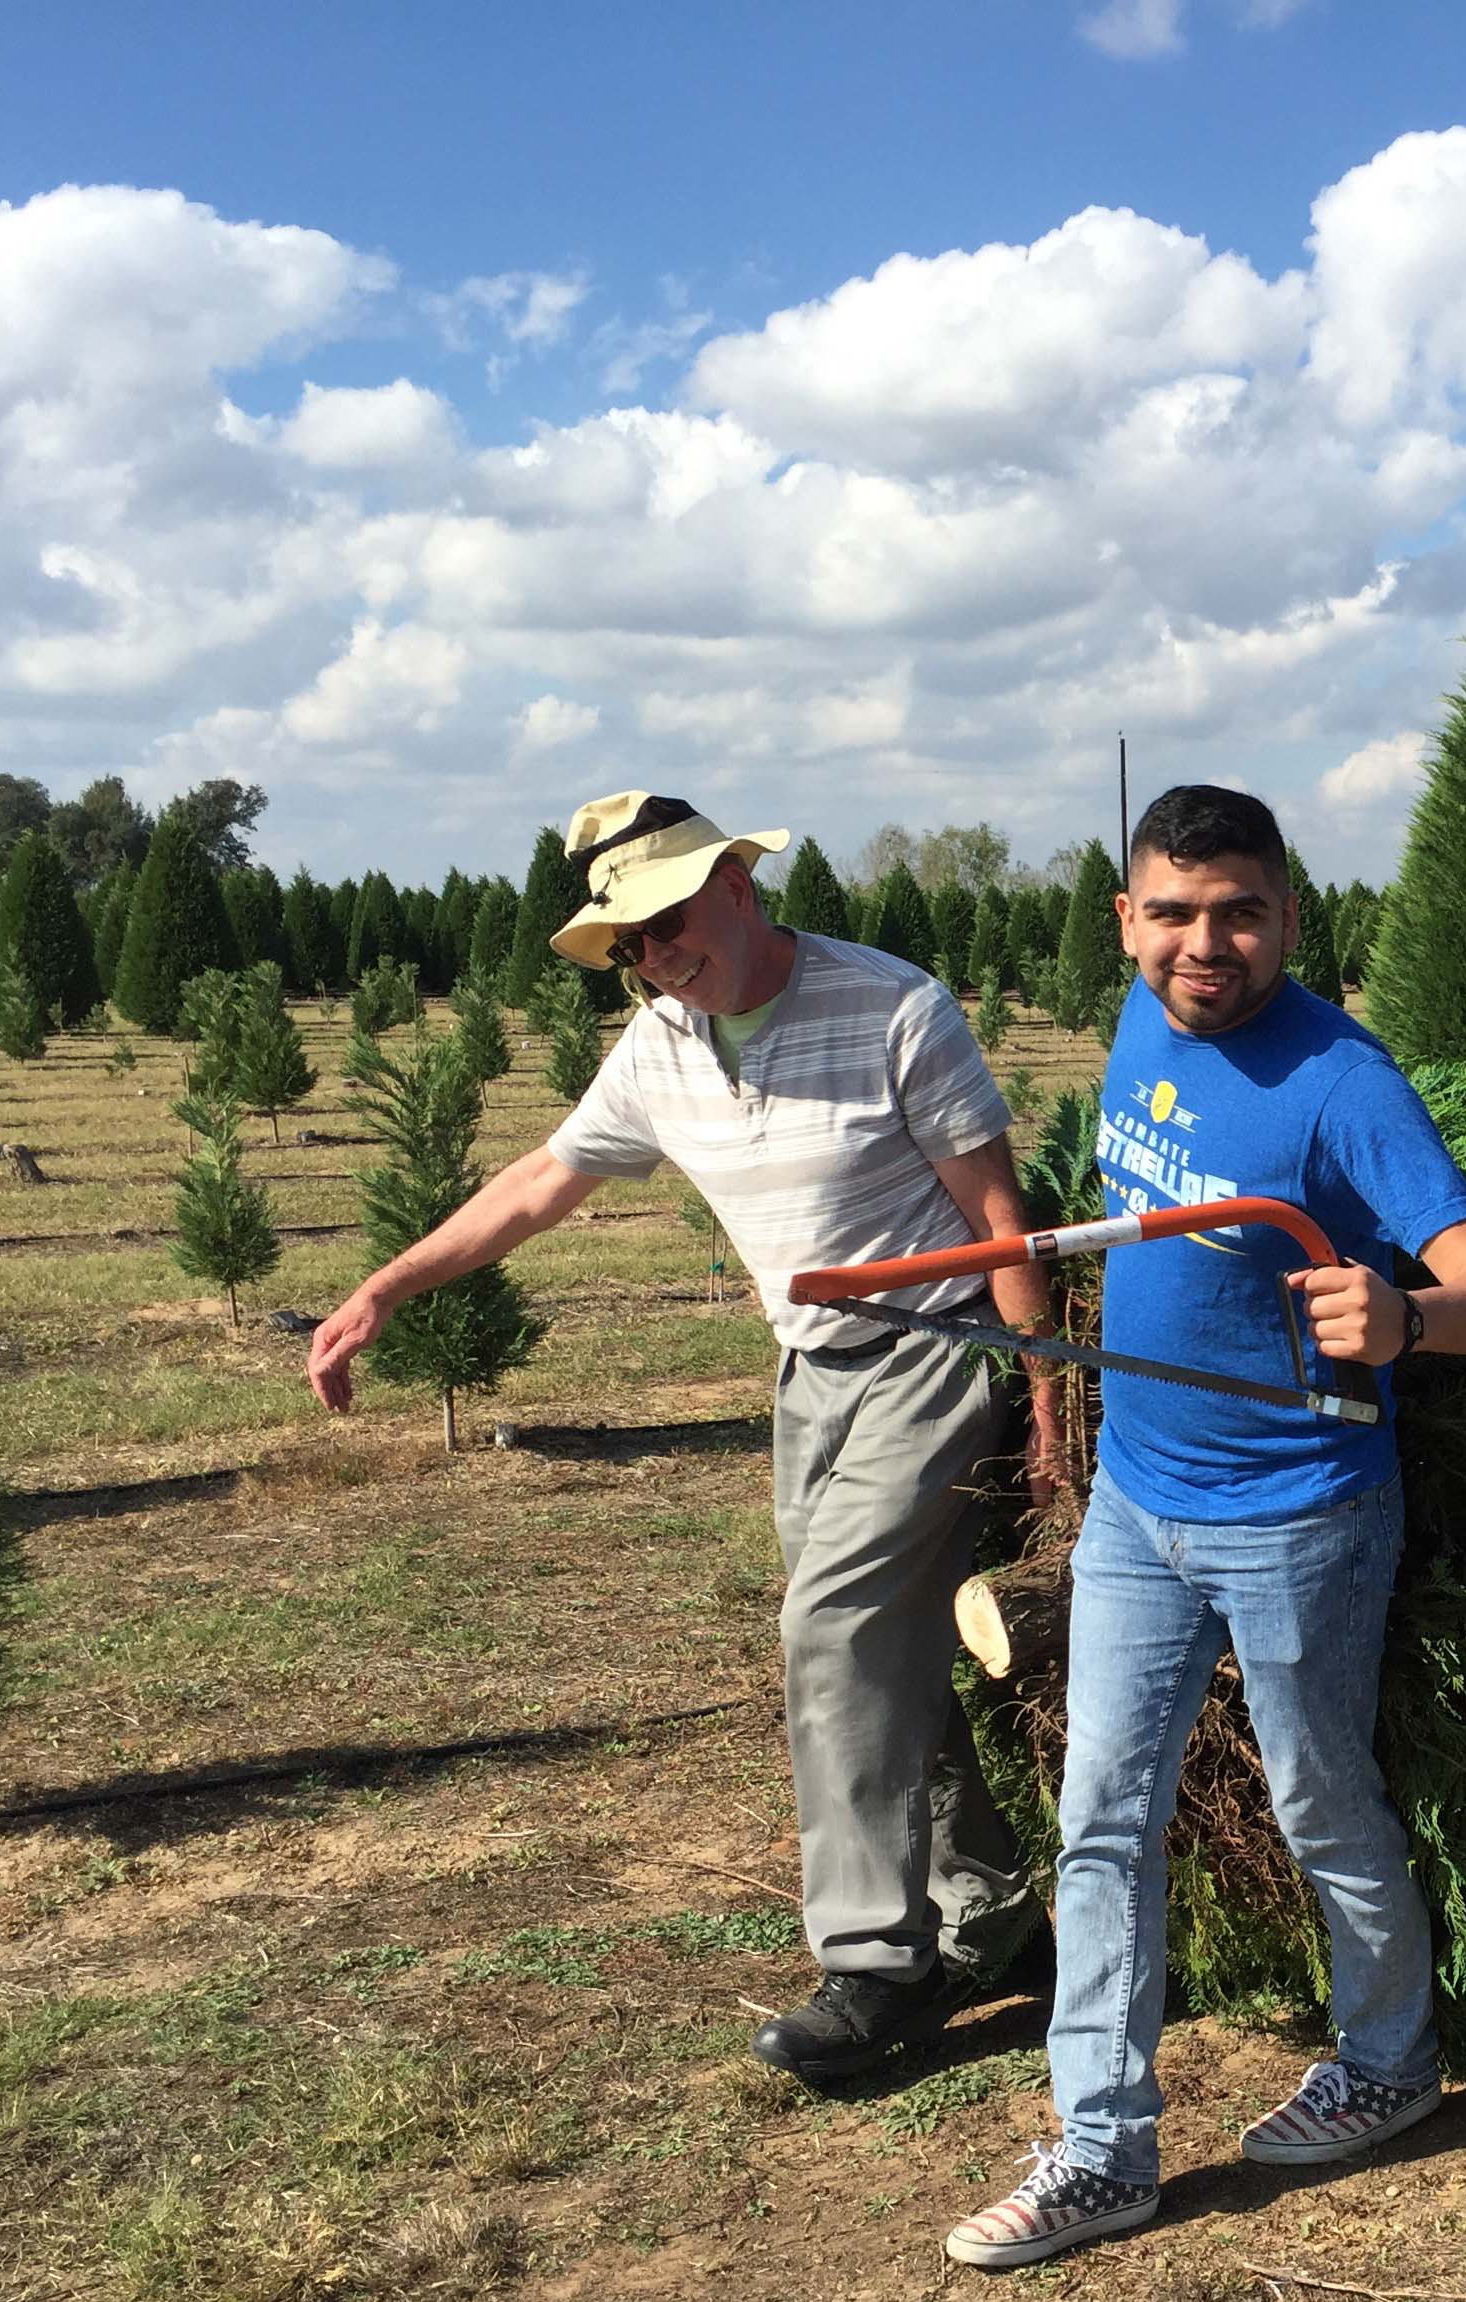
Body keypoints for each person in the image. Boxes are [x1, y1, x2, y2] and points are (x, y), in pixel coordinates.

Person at [305, 792, 1058, 2086]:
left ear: (736, 886)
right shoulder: (659, 1044)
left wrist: (1043, 1399)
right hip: (810, 1377)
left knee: (835, 1630)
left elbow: (1002, 1216)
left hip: (934, 1354)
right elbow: (541, 1183)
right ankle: (992, 1917)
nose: (655, 956)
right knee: (879, 1654)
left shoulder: (892, 1007)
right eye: (630, 944)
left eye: (667, 923)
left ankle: (876, 1967)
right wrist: (387, 1287)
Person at [944, 784, 1466, 2271]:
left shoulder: (1344, 1084)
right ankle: (1103, 2153)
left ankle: (1391, 2064)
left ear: (1290, 915)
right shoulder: (1138, 1025)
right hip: (1138, 1507)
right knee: (1101, 1816)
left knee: (1320, 1803)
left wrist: (1407, 1316)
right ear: (1125, 920)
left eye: (1240, 915)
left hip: (1301, 1517)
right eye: (1173, 914)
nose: (1205, 946)